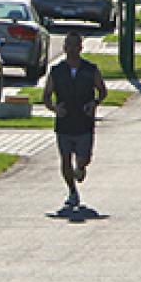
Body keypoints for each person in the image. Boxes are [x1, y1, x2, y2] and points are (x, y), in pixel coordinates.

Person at [42, 31, 108, 209]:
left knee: (83, 158)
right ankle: (72, 191)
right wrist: (55, 108)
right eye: (68, 46)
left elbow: (102, 91)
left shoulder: (90, 69)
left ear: (81, 47)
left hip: (84, 122)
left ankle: (81, 168)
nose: (71, 49)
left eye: (74, 46)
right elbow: (46, 96)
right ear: (64, 48)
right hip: (64, 122)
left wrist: (94, 103)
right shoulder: (56, 71)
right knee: (65, 158)